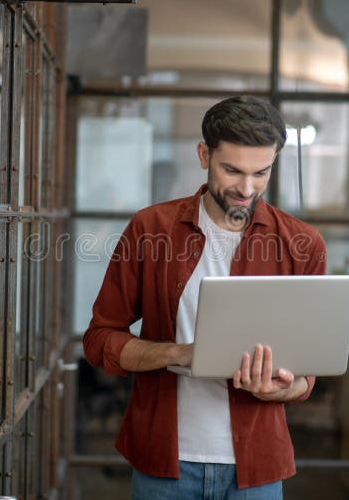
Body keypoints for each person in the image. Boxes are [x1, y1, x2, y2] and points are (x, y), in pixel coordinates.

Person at [82, 96, 327, 499]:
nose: (246, 189)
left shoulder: (302, 243)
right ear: (203, 155)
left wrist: (280, 389)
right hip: (165, 465)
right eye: (231, 170)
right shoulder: (151, 229)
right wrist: (179, 354)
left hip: (257, 468)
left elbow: (306, 378)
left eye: (261, 173)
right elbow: (99, 340)